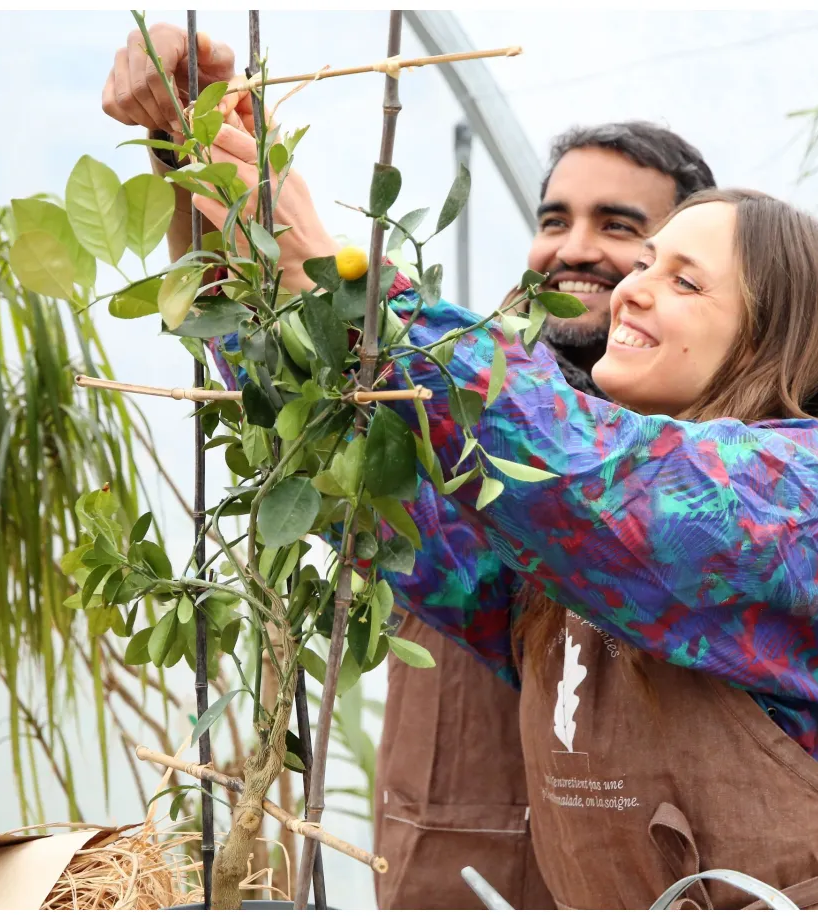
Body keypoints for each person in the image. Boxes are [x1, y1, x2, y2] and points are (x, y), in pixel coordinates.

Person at [101, 25, 719, 909]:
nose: (575, 249)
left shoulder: (730, 464)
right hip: (451, 879)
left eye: (621, 228)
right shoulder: (433, 395)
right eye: (554, 221)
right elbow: (286, 379)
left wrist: (332, 276)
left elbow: (573, 465)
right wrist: (192, 143)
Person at [189, 169, 818, 905]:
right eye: (645, 265)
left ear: (772, 341)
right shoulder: (541, 520)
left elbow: (587, 471)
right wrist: (232, 229)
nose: (633, 290)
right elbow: (358, 477)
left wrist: (354, 289)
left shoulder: (803, 492)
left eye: (685, 283)